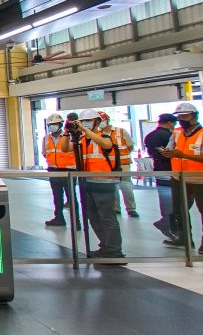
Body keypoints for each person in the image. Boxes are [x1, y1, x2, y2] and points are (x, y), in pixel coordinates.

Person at [60, 108, 124, 258]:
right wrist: (67, 132)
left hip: (104, 183)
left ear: (97, 122)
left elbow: (106, 145)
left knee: (107, 217)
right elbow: (65, 149)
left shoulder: (106, 136)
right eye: (82, 122)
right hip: (87, 183)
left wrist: (83, 130)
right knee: (93, 217)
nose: (85, 124)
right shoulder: (82, 139)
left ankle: (114, 250)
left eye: (87, 121)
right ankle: (105, 246)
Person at [161, 102, 203, 255]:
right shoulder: (177, 133)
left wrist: (183, 155)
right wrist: (168, 152)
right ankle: (184, 238)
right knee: (179, 209)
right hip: (179, 177)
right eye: (180, 116)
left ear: (194, 116)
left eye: (185, 116)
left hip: (202, 178)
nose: (182, 119)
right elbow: (171, 147)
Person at [99, 111, 138, 218]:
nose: (101, 123)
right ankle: (116, 208)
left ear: (107, 120)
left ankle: (131, 209)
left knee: (126, 186)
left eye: (102, 120)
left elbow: (129, 146)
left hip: (123, 164)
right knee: (113, 187)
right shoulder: (98, 134)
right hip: (107, 166)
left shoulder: (120, 132)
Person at [42, 113, 78, 228]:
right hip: (53, 170)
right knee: (57, 196)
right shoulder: (46, 138)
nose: (52, 126)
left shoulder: (69, 136)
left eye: (54, 124)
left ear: (60, 124)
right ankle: (59, 218)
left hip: (68, 171)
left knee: (71, 198)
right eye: (50, 124)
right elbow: (45, 153)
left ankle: (76, 221)